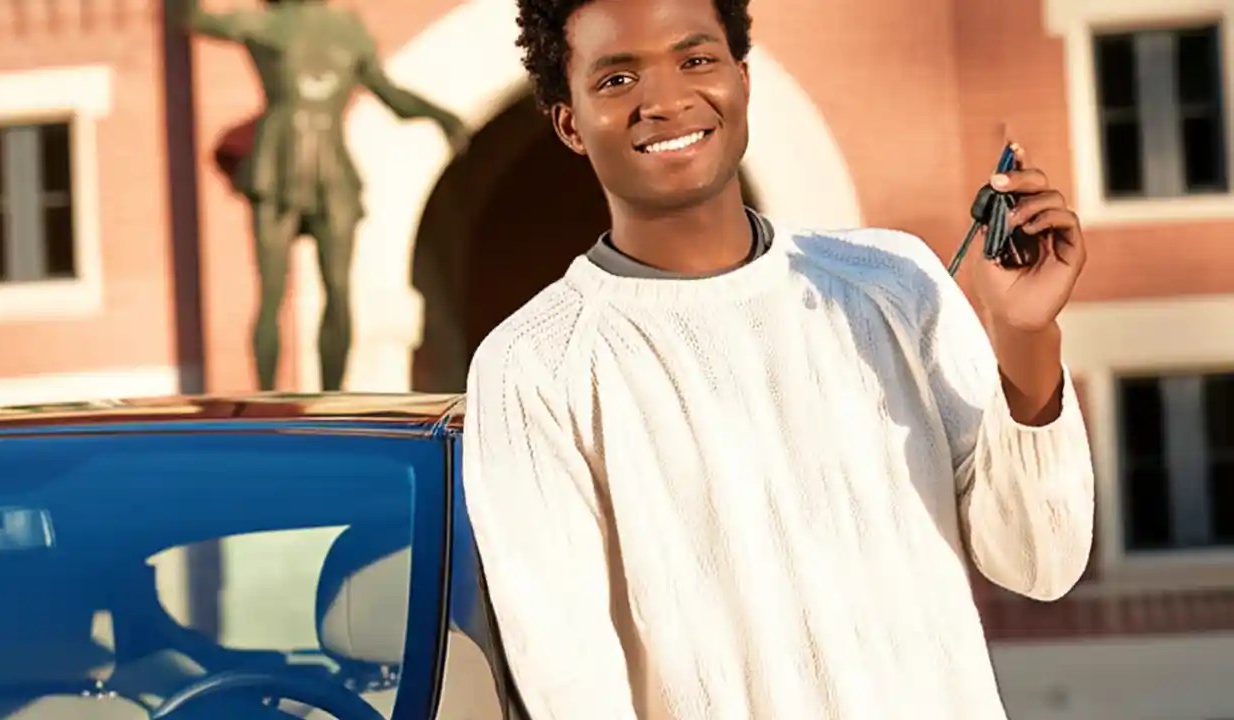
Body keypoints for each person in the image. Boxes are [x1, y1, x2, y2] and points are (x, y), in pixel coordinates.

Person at [462, 0, 1094, 717]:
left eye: (696, 60)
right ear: (570, 121)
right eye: (616, 80)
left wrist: (1023, 336)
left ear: (741, 76)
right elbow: (569, 683)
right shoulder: (533, 367)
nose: (665, 101)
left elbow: (1040, 561)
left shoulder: (893, 281)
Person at [180, 0, 468, 391]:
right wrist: (442, 117)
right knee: (276, 290)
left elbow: (392, 96)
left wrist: (442, 116)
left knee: (333, 287)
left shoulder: (332, 30)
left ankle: (332, 395)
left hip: (320, 167)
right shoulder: (270, 25)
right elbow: (194, 20)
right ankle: (268, 395)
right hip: (280, 163)